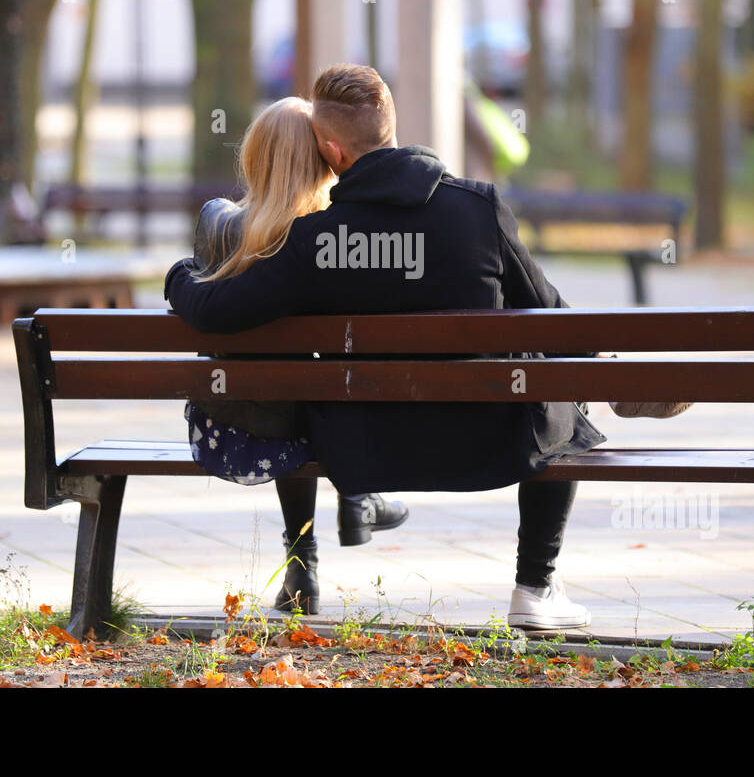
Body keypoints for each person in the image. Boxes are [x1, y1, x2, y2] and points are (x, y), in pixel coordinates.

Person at [166, 64, 610, 629]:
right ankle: (534, 589)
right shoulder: (478, 209)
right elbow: (554, 320)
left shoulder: (313, 240)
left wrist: (180, 273)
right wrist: (607, 372)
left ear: (331, 150)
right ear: (392, 125)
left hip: (362, 452)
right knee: (562, 392)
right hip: (490, 440)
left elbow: (213, 312)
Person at [184, 96, 407, 616]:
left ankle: (301, 562)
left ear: (256, 157)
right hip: (314, 431)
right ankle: (357, 495)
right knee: (323, 379)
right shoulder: (333, 239)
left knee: (289, 385)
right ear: (322, 161)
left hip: (227, 426)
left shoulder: (220, 223)